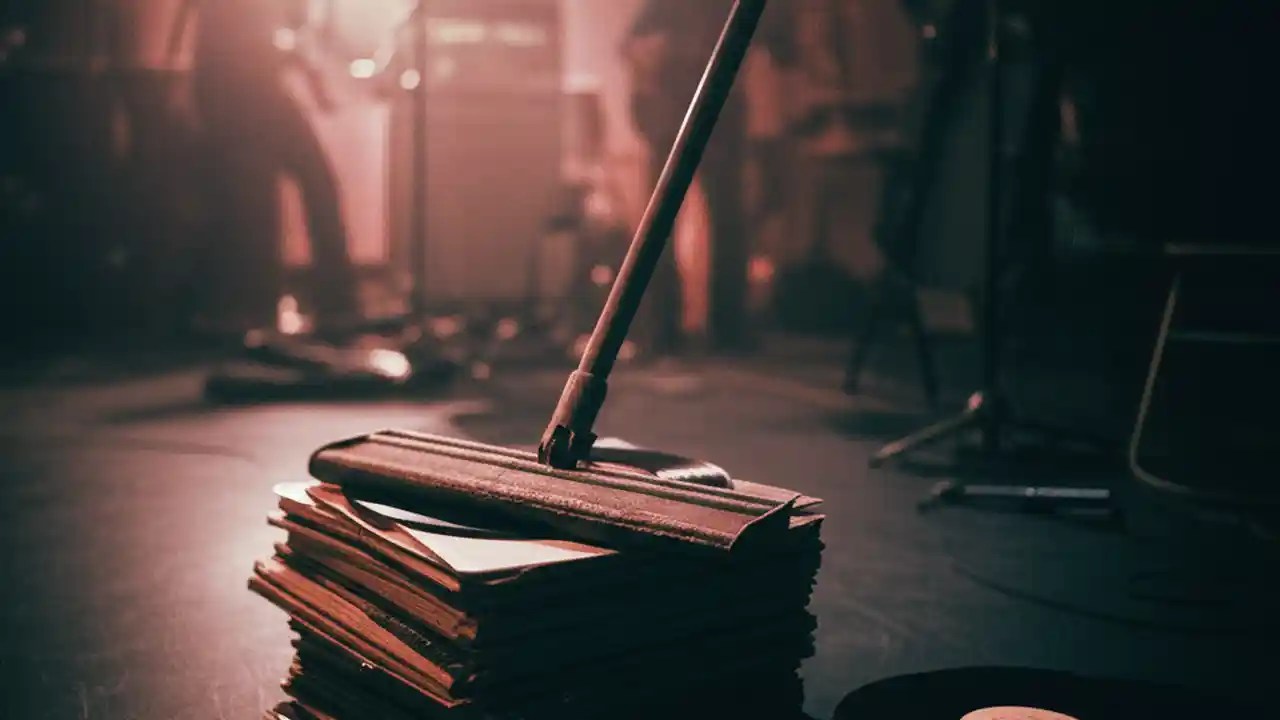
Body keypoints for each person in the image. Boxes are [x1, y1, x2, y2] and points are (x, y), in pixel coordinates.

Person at [622, 0, 792, 355]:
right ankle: (671, 330)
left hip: (714, 115)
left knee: (719, 222)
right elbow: (633, 45)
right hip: (677, 117)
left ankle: (709, 329)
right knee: (668, 225)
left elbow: (779, 44)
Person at [179, 0, 357, 333]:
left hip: (240, 87)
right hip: (239, 89)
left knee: (280, 192)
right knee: (292, 189)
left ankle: (313, 301)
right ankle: (330, 300)